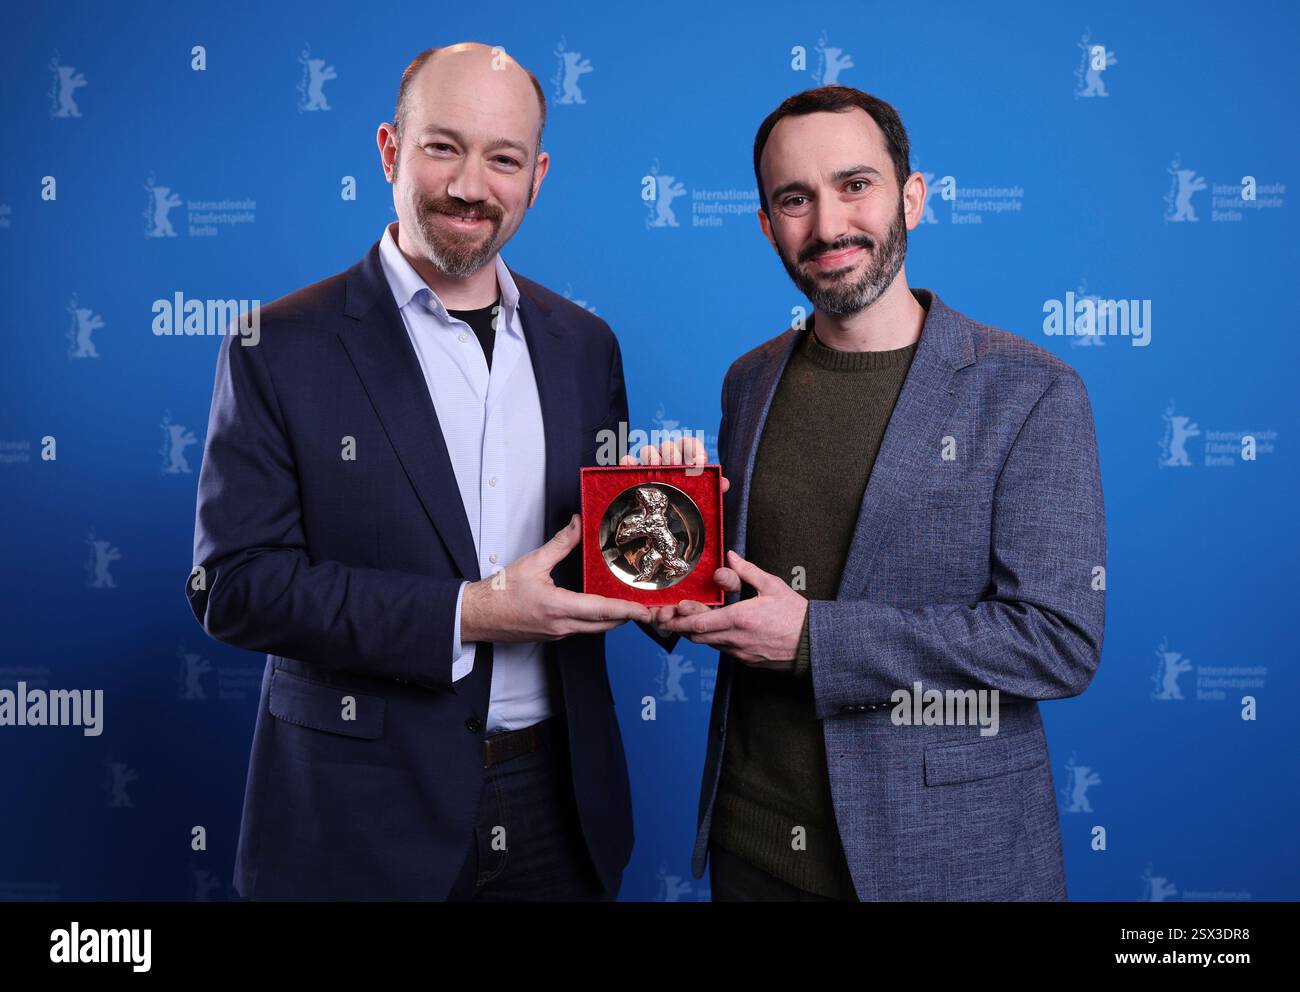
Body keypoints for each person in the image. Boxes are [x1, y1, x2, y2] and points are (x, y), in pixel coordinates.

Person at [186, 42, 659, 901]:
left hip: (561, 805)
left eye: (503, 158)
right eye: (443, 147)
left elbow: (597, 560)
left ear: (537, 175)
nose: (471, 186)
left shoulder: (586, 346)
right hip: (357, 818)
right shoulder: (278, 346)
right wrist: (472, 613)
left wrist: (666, 530)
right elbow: (234, 586)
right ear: (389, 150)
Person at [649, 85, 1107, 901]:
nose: (828, 227)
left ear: (913, 197)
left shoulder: (1031, 390)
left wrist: (815, 642)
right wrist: (676, 577)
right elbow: (750, 586)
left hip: (941, 861)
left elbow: (1057, 640)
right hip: (752, 847)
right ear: (766, 225)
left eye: (854, 185)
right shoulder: (749, 381)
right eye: (795, 199)